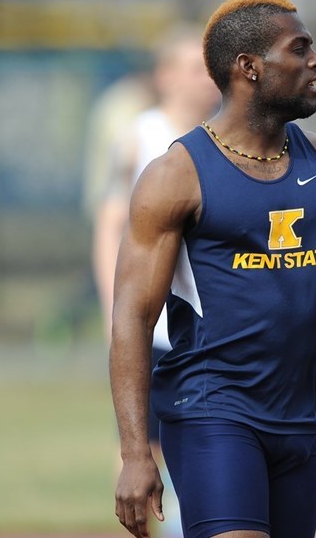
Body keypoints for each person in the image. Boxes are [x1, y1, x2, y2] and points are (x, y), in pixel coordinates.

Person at [108, 0, 316, 538]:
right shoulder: (176, 175)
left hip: (300, 419)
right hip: (212, 412)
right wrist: (134, 452)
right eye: (299, 49)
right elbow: (131, 315)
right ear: (248, 67)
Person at [90, 26, 220, 537]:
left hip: (205, 326)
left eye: (209, 68)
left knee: (205, 441)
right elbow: (109, 230)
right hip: (151, 325)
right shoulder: (139, 137)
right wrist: (113, 312)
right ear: (164, 75)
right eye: (192, 67)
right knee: (142, 447)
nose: (204, 79)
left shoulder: (224, 140)